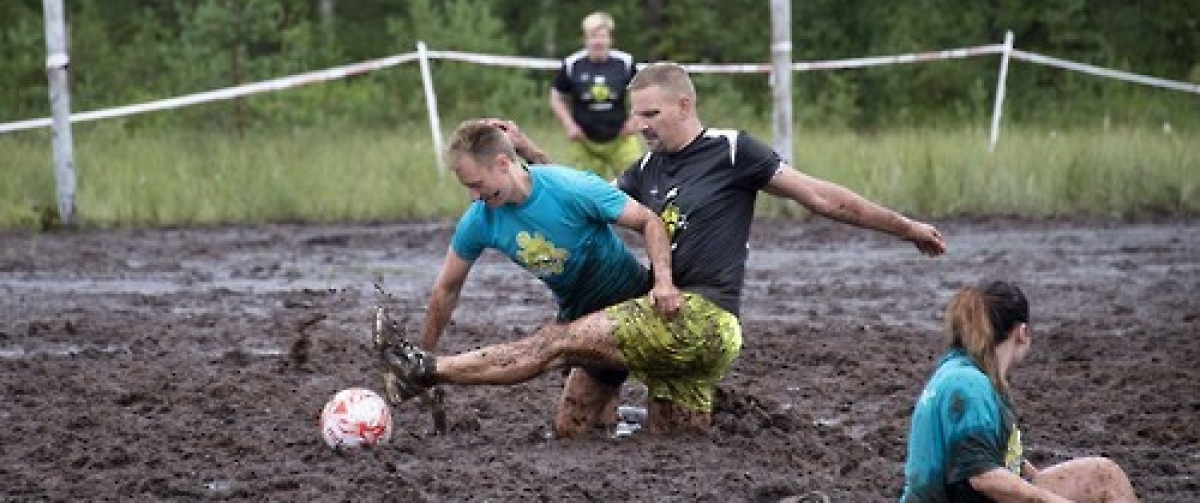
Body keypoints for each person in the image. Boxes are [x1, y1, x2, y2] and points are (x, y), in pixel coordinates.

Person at [377, 62, 947, 434]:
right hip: (656, 314)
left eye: (650, 114)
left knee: (554, 343)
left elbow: (820, 196)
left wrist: (906, 227)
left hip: (703, 314)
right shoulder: (646, 167)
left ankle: (426, 368)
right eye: (637, 115)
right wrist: (529, 152)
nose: (641, 125)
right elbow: (576, 204)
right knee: (623, 441)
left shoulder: (730, 151)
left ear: (684, 106)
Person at [392, 119, 681, 438]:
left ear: (503, 163)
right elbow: (446, 289)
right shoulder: (479, 220)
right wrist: (424, 356)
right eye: (467, 188)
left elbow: (649, 221)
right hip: (575, 316)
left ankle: (632, 411)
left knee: (675, 425)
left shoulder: (571, 187)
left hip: (628, 301)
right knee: (573, 429)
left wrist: (663, 283)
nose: (474, 196)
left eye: (477, 184)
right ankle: (615, 413)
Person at [900, 281, 1141, 503]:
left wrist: (1030, 476)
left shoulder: (957, 369)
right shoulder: (970, 385)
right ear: (1022, 332)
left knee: (1101, 475)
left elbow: (976, 450)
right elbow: (983, 477)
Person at [549, 11, 642, 178]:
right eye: (593, 36)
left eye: (602, 36)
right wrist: (569, 124)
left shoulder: (625, 63)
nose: (598, 41)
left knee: (637, 183)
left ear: (610, 39)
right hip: (584, 142)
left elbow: (643, 92)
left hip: (621, 139)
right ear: (585, 39)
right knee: (587, 193)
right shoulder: (572, 64)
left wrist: (635, 119)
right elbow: (556, 96)